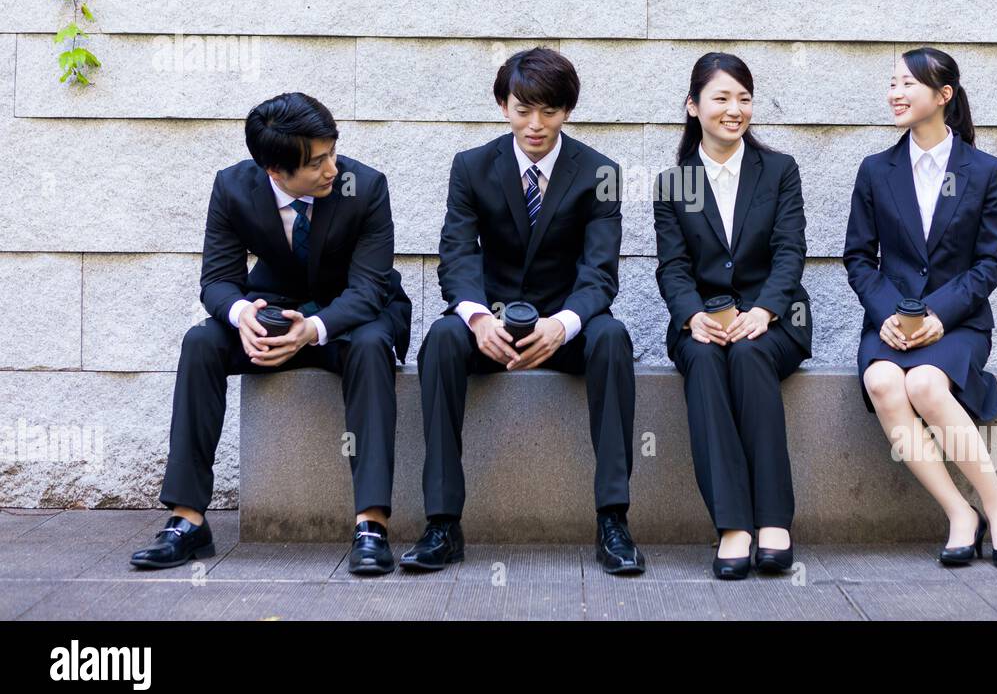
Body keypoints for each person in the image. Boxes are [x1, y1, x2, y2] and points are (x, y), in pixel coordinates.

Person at [131, 92, 412, 575]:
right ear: (275, 172)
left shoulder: (364, 187)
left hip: (354, 315)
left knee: (369, 347)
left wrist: (314, 329)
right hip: (274, 314)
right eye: (317, 162)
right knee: (201, 342)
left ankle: (371, 524)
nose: (331, 169)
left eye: (332, 152)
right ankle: (187, 519)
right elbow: (217, 280)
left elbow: (369, 290)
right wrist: (243, 315)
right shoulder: (233, 188)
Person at [404, 46, 645, 575]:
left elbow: (600, 271)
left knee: (612, 338)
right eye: (523, 109)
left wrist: (562, 325)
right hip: (491, 322)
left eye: (550, 110)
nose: (536, 124)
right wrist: (476, 317)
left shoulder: (599, 171)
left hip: (565, 327)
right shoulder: (471, 166)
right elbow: (458, 253)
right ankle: (442, 523)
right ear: (502, 104)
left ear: (568, 110)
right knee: (442, 339)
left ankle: (613, 520)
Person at [844, 46, 997, 567]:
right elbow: (858, 257)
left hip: (959, 323)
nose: (894, 94)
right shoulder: (877, 170)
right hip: (890, 323)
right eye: (892, 83)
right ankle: (959, 513)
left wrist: (938, 317)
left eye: (907, 84)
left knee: (924, 383)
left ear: (943, 96)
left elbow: (990, 263)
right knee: (883, 382)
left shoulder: (985, 170)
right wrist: (889, 317)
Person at [652, 52, 812, 580]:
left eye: (744, 98)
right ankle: (732, 525)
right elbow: (673, 267)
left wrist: (764, 309)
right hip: (703, 323)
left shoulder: (780, 170)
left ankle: (772, 521)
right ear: (693, 106)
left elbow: (791, 252)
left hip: (776, 319)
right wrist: (692, 316)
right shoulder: (675, 183)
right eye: (721, 98)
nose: (735, 109)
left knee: (747, 355)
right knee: (702, 358)